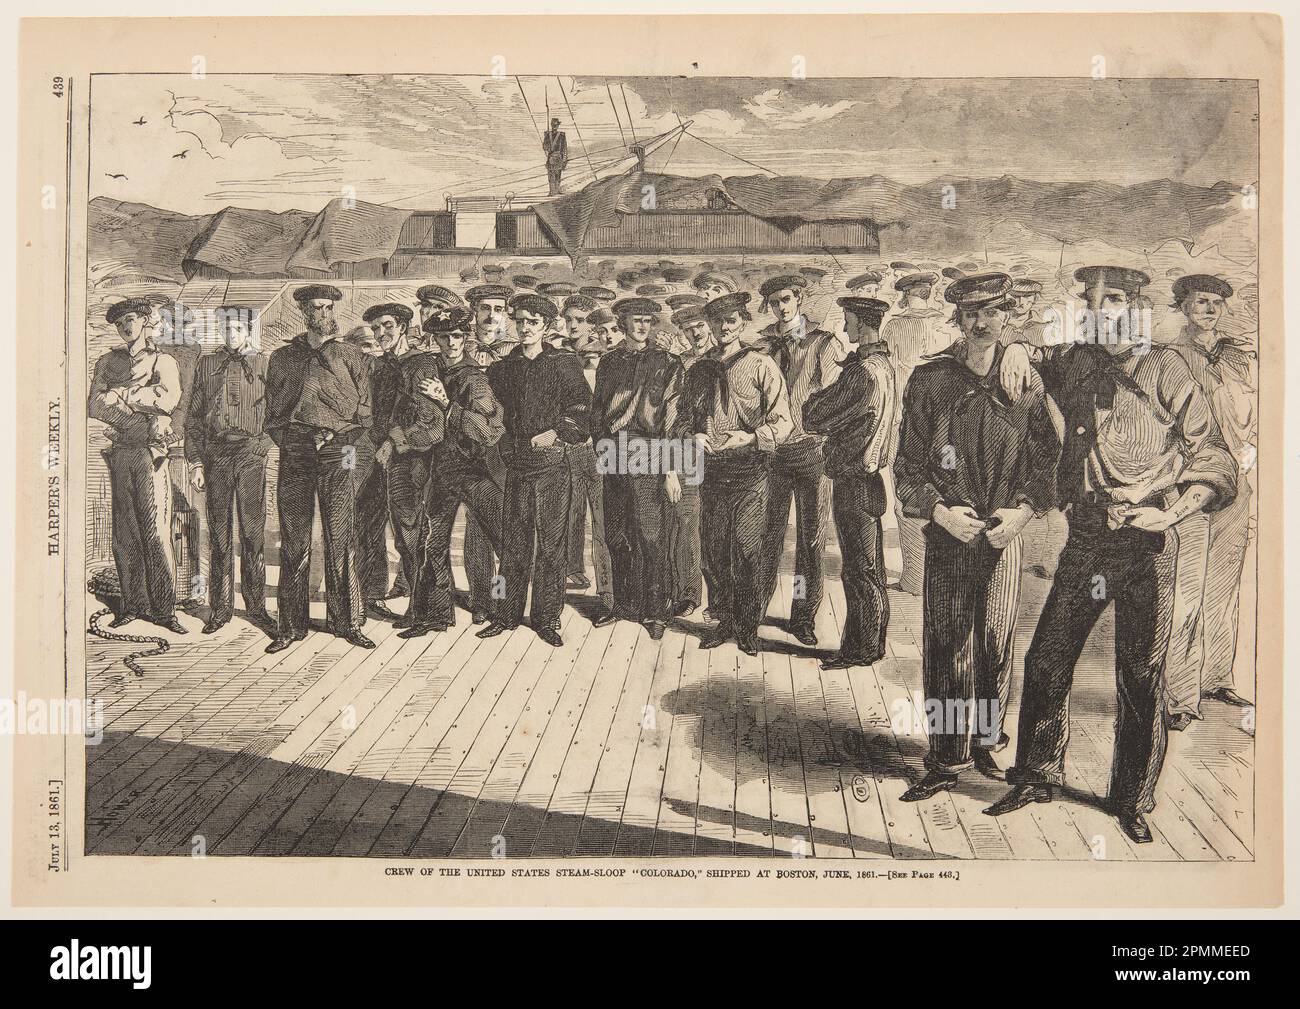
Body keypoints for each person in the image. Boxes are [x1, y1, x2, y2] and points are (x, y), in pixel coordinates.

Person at [987, 265, 1237, 843]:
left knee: (1141, 675)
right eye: (1095, 302)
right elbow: (1028, 355)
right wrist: (1019, 349)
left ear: (1139, 306)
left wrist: (1170, 512)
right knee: (1049, 658)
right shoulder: (1078, 360)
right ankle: (1037, 773)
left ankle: (1132, 799)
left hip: (1150, 539)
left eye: (1118, 300)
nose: (1106, 311)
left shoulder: (1167, 368)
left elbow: (1214, 460)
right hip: (1090, 536)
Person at [891, 274, 1061, 801]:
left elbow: (1048, 460)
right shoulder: (929, 381)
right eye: (971, 313)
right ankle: (944, 758)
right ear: (958, 320)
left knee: (994, 641)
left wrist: (1023, 512)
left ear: (1006, 316)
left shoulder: (1026, 380)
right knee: (946, 645)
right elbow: (907, 469)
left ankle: (985, 741)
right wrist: (939, 512)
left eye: (991, 312)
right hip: (949, 532)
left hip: (1004, 535)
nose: (981, 323)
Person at [675, 292, 792, 656]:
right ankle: (723, 620)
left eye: (731, 321)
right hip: (712, 472)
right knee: (713, 551)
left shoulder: (761, 365)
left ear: (742, 322)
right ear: (709, 326)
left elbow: (784, 421)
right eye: (717, 323)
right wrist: (692, 435)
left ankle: (746, 628)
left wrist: (752, 436)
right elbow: (681, 418)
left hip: (752, 472)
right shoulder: (698, 370)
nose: (723, 328)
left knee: (746, 551)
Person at [1164, 274, 1256, 724]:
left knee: (1223, 590)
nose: (1209, 309)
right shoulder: (1167, 357)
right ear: (1183, 306)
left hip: (1237, 484)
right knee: (1186, 592)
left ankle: (1215, 680)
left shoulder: (1239, 357)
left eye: (1217, 302)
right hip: (1188, 486)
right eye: (1200, 301)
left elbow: (1256, 414)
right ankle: (1178, 696)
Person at [263, 285, 375, 652]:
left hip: (341, 451)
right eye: (315, 308)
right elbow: (273, 414)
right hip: (296, 450)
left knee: (340, 538)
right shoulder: (282, 358)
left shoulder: (351, 355)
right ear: (303, 312)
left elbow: (365, 411)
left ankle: (348, 622)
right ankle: (290, 626)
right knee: (294, 541)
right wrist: (296, 440)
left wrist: (337, 439)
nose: (323, 315)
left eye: (329, 308)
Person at [478, 294, 591, 647]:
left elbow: (584, 410)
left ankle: (546, 619)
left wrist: (556, 432)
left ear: (546, 325)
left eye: (533, 322)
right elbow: (489, 413)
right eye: (520, 320)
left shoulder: (563, 363)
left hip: (552, 465)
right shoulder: (502, 368)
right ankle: (505, 614)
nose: (525, 327)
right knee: (513, 545)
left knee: (551, 546)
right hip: (515, 464)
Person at [802, 296, 896, 670]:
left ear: (862, 322)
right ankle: (870, 645)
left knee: (859, 571)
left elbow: (815, 415)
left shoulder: (862, 372)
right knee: (868, 569)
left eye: (848, 320)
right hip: (869, 481)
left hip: (854, 480)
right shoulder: (883, 366)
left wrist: (816, 405)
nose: (844, 327)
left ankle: (860, 649)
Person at [400, 306, 505, 638]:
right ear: (435, 339)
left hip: (476, 471)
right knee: (433, 542)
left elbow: (488, 431)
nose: (451, 343)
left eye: (457, 336)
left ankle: (500, 607)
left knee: (501, 541)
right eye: (444, 337)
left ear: (466, 338)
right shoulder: (427, 372)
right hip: (440, 470)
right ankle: (437, 614)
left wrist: (447, 405)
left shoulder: (477, 378)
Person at [89, 298, 186, 633]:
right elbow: (96, 405)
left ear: (145, 321)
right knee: (125, 535)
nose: (126, 327)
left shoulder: (164, 360)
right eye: (120, 323)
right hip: (121, 452)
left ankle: (164, 611)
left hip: (150, 452)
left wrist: (123, 396)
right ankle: (132, 607)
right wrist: (137, 403)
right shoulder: (107, 361)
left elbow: (168, 398)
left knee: (156, 532)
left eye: (131, 320)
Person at [591, 297, 685, 640]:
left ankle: (655, 611)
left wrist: (671, 470)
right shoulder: (608, 363)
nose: (642, 326)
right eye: (636, 320)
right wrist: (603, 450)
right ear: (623, 324)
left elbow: (674, 419)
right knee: (618, 533)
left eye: (648, 320)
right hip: (615, 452)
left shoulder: (668, 363)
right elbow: (598, 410)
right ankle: (624, 606)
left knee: (652, 537)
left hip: (651, 451)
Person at [755, 273, 841, 646]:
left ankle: (802, 617)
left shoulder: (823, 343)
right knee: (767, 536)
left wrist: (817, 431)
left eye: (786, 300)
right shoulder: (762, 345)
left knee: (810, 542)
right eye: (774, 302)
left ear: (799, 299)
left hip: (811, 453)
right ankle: (754, 610)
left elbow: (836, 397)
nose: (781, 307)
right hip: (772, 454)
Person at [184, 305, 272, 634]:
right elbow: (193, 419)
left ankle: (257, 607)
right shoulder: (208, 364)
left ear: (248, 330)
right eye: (226, 329)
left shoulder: (265, 363)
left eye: (237, 329)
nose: (231, 336)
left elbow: (277, 412)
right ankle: (220, 609)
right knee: (220, 537)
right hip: (216, 455)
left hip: (251, 454)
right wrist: (195, 461)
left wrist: (261, 446)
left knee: (252, 534)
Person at [354, 302, 425, 619]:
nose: (381, 333)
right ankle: (371, 595)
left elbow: (423, 415)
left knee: (409, 530)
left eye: (387, 327)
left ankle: (418, 600)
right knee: (368, 526)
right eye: (377, 329)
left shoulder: (421, 365)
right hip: (373, 457)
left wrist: (392, 443)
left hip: (408, 459)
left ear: (404, 328)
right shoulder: (377, 368)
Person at [882, 270, 949, 595]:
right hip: (944, 423)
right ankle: (936, 578)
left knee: (906, 498)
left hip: (905, 419)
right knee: (942, 495)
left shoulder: (895, 326)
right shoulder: (946, 324)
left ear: (905, 295)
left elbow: (889, 376)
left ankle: (914, 578)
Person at [564, 329, 615, 622]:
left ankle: (607, 593)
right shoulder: (570, 379)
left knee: (602, 526)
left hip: (601, 453)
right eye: (587, 356)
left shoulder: (609, 379)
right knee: (568, 519)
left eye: (597, 355)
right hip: (573, 451)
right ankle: (569, 577)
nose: (592, 360)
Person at [543, 117, 569, 196]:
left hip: (554, 158)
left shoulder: (558, 135)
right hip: (556, 158)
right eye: (555, 125)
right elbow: (545, 147)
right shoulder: (558, 135)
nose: (555, 127)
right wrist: (565, 159)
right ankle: (553, 191)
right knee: (555, 175)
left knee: (555, 175)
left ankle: (554, 191)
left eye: (555, 125)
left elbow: (545, 147)